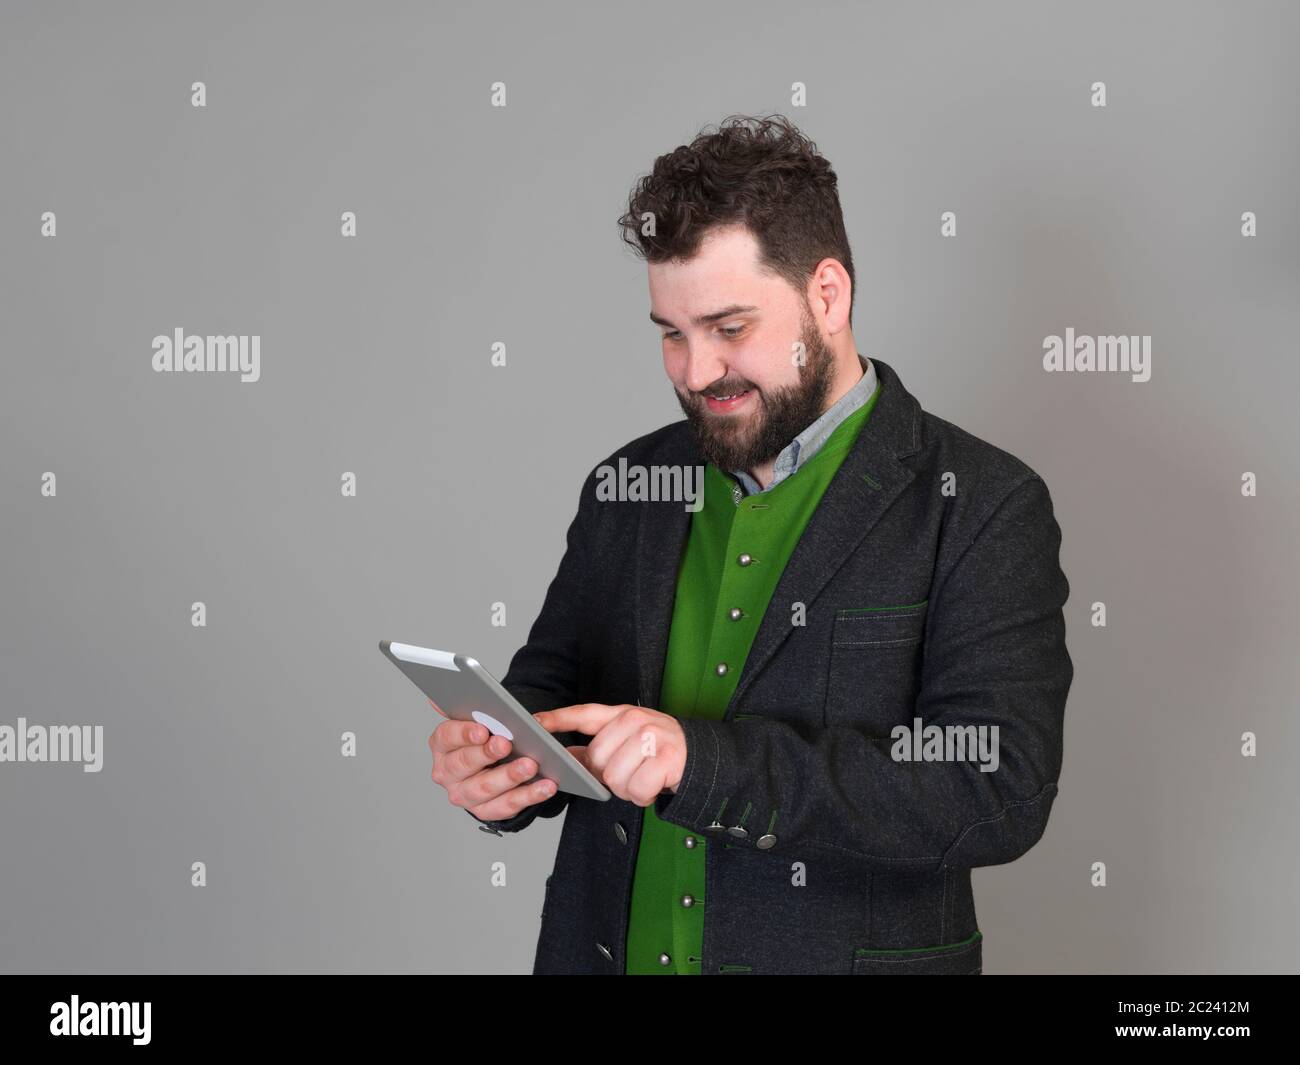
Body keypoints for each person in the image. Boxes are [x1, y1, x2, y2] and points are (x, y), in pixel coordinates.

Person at [428, 113, 1072, 975]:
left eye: (730, 328)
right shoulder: (627, 484)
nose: (695, 373)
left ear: (828, 296)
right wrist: (499, 766)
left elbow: (995, 789)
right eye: (671, 332)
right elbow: (553, 689)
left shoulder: (984, 504)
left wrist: (703, 763)